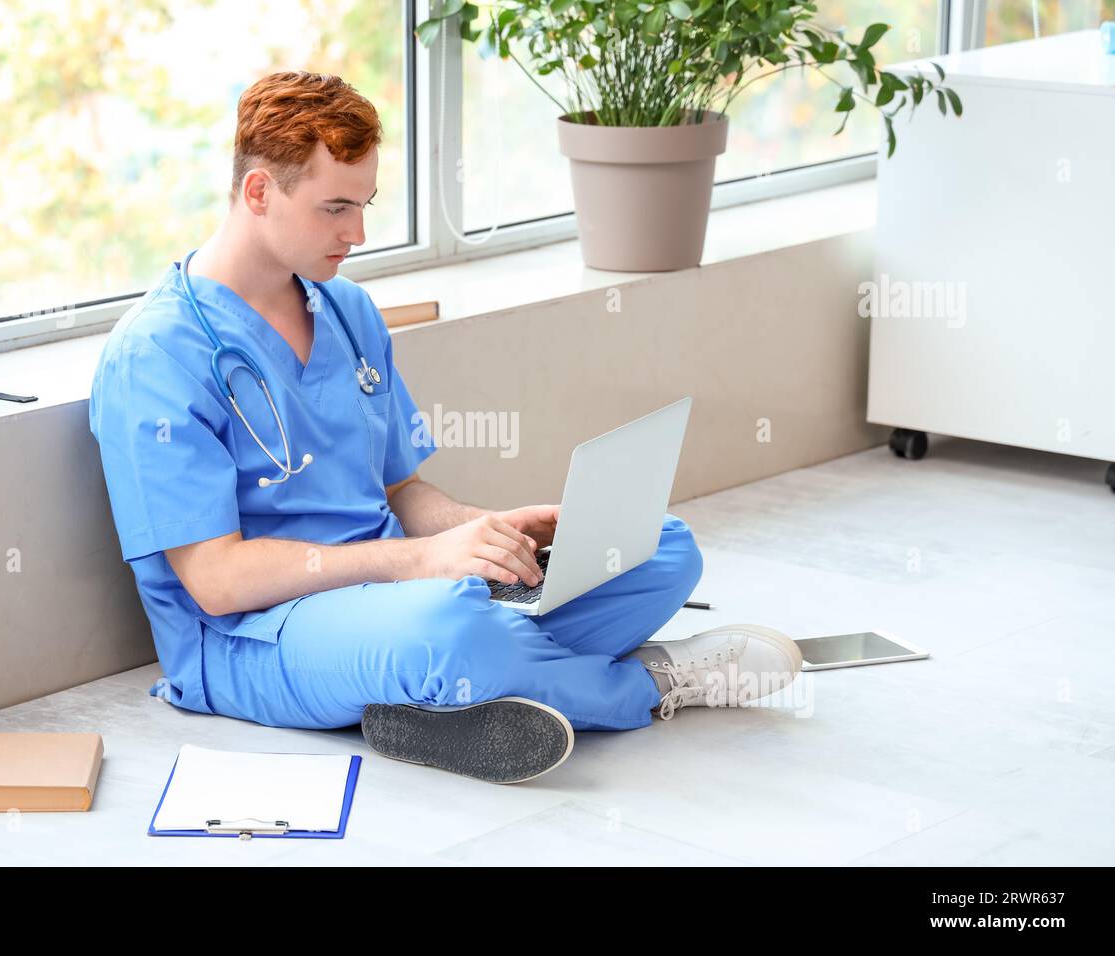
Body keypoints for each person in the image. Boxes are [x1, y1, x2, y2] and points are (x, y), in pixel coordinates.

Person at [88, 71, 802, 785]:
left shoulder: (347, 311)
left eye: (366, 205)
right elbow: (215, 580)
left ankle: (449, 692)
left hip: (396, 597)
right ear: (258, 193)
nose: (358, 233)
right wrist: (421, 564)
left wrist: (488, 531)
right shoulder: (156, 354)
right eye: (335, 207)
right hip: (252, 637)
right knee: (456, 630)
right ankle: (646, 684)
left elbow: (402, 488)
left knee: (658, 547)